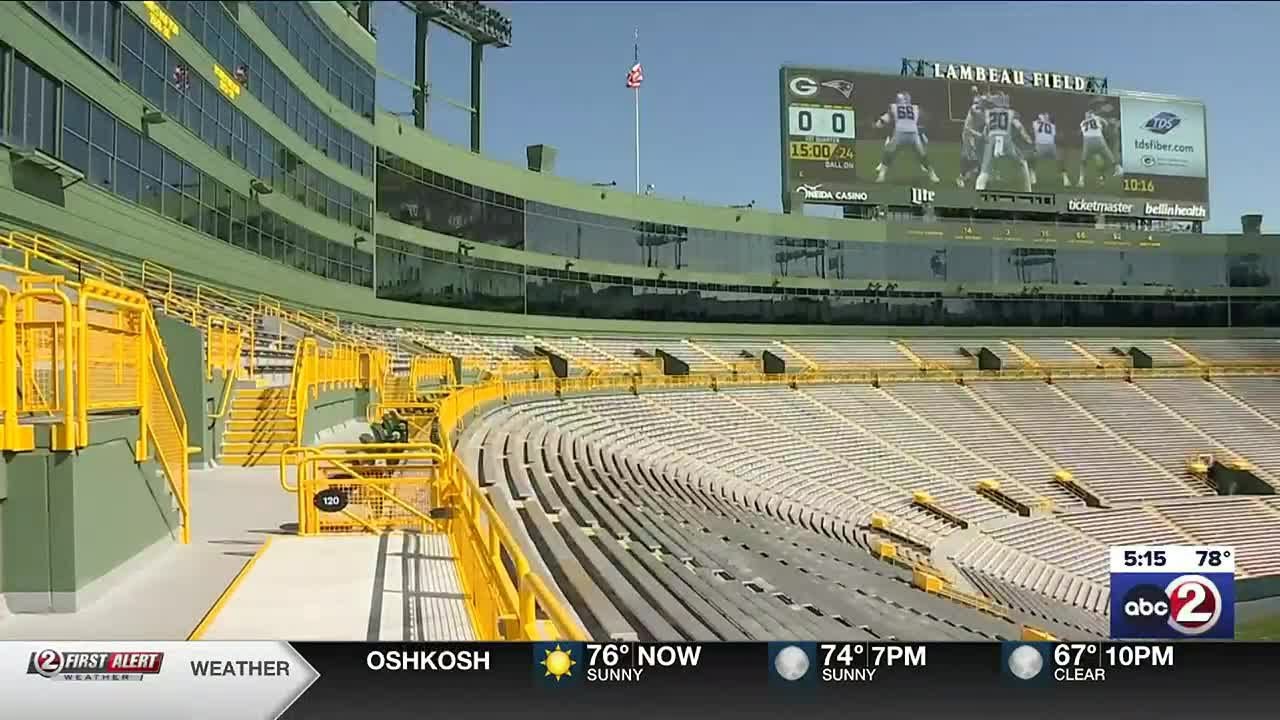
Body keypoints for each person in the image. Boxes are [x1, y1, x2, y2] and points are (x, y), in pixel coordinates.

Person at [872, 91, 941, 184]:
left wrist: (877, 125)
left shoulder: (894, 107)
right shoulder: (915, 108)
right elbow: (923, 118)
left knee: (889, 153)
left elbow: (885, 119)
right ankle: (932, 175)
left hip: (900, 133)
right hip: (913, 133)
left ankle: (881, 175)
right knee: (922, 155)